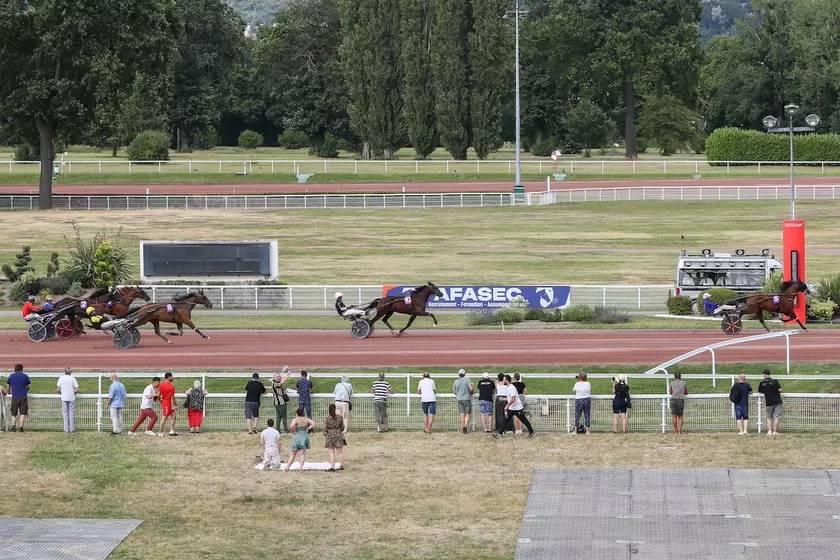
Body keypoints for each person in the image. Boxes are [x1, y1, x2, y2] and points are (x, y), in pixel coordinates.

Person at [7, 364, 31, 433]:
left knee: (13, 413)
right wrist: (26, 391)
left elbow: (8, 386)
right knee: (23, 413)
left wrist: (8, 392)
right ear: (22, 369)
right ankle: (21, 428)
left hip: (14, 396)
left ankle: (13, 427)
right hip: (23, 396)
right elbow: (29, 386)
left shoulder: (11, 376)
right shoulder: (25, 376)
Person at [758, 369, 783, 436]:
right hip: (777, 400)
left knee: (769, 417)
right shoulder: (775, 381)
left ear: (764, 375)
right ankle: (775, 431)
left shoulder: (762, 383)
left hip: (769, 401)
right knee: (776, 416)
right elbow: (780, 390)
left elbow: (760, 391)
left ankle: (769, 431)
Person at [324, 403, 346, 472]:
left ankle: (332, 467)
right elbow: (343, 427)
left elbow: (325, 428)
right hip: (339, 434)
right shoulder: (339, 417)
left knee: (331, 452)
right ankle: (341, 466)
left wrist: (326, 433)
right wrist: (338, 431)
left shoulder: (327, 418)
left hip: (330, 435)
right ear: (335, 409)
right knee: (340, 452)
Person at [56, 367, 79, 433]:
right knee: (71, 414)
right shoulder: (73, 379)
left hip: (64, 398)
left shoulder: (61, 378)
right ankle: (72, 429)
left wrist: (61, 393)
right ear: (70, 372)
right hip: (71, 398)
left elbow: (57, 389)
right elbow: (77, 389)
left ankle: (66, 429)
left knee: (65, 414)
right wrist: (74, 393)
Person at [157, 372, 178, 437]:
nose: (172, 377)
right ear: (169, 377)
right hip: (167, 403)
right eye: (171, 376)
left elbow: (158, 395)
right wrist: (175, 404)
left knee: (174, 415)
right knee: (164, 417)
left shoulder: (161, 385)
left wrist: (160, 400)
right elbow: (173, 397)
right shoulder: (171, 386)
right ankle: (160, 432)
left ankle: (171, 430)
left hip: (166, 403)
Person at [453, 369, 473, 434]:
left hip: (459, 399)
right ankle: (465, 425)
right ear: (464, 374)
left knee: (462, 413)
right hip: (466, 398)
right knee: (467, 413)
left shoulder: (456, 381)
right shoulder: (467, 380)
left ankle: (462, 427)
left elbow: (454, 391)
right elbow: (471, 389)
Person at [271, 369, 290, 433]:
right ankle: (285, 429)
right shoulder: (275, 384)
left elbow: (282, 386)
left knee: (278, 417)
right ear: (274, 377)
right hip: (281, 403)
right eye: (277, 376)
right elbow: (282, 383)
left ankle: (278, 429)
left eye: (279, 376)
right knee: (283, 417)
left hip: (277, 403)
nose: (279, 377)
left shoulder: (276, 383)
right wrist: (287, 376)